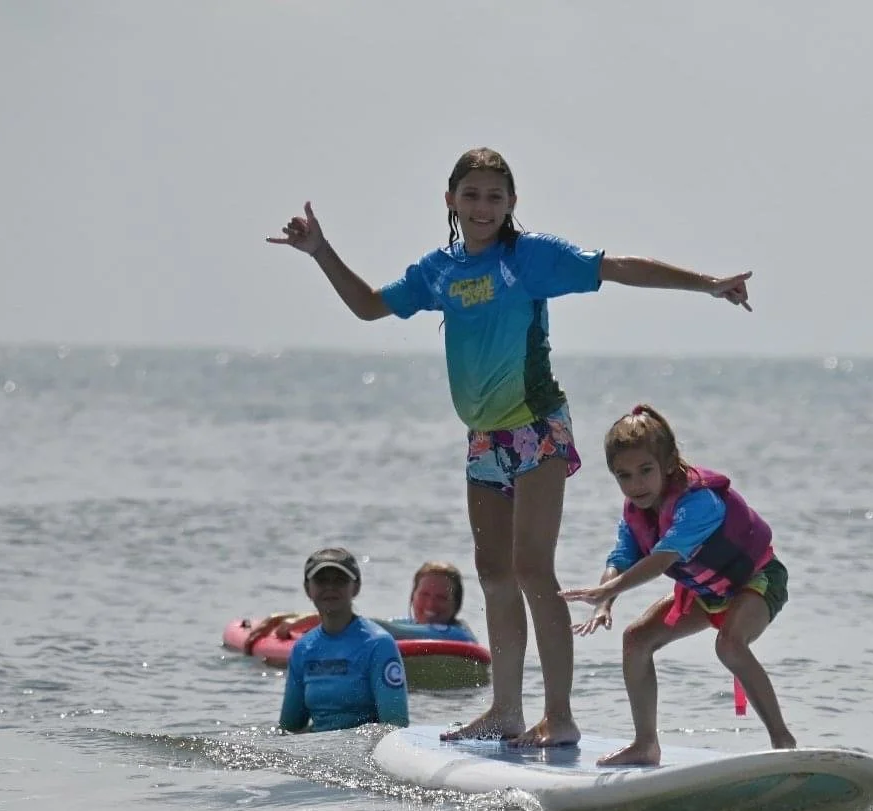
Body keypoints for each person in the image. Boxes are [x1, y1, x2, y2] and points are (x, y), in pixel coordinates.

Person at [269, 147, 753, 748]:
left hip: (536, 428)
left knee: (532, 569)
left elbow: (617, 267)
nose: (482, 206)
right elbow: (369, 306)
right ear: (450, 200)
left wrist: (708, 284)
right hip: (484, 438)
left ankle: (560, 715)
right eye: (471, 195)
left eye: (494, 197)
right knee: (493, 573)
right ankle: (505, 710)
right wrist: (320, 251)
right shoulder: (439, 271)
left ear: (511, 203)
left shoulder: (530, 258)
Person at [560, 405, 794, 767]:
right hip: (707, 594)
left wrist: (607, 591)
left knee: (729, 645)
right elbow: (620, 559)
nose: (635, 485)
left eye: (645, 470)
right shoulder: (636, 513)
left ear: (668, 463)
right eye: (624, 476)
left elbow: (661, 560)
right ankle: (645, 745)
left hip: (758, 579)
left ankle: (784, 743)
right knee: (636, 639)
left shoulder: (699, 502)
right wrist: (604, 602)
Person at [279, 548, 411, 733]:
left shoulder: (379, 644)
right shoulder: (302, 649)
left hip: (362, 747)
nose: (330, 587)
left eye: (340, 580)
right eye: (321, 580)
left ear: (356, 587)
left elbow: (395, 726)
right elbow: (289, 728)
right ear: (308, 589)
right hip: (319, 745)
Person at [386, 560, 478, 643]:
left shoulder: (461, 636)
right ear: (412, 597)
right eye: (424, 594)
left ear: (456, 605)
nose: (431, 604)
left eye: (441, 598)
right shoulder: (399, 625)